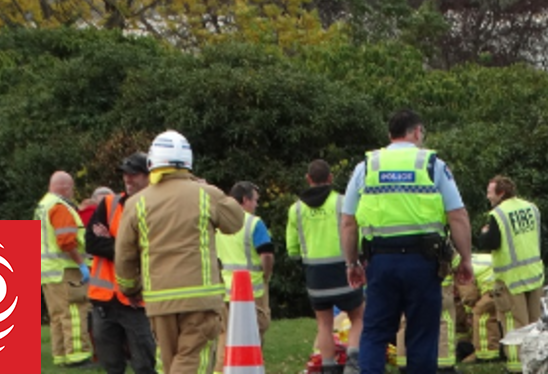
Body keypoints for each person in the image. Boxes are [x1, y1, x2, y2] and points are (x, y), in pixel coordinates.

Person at [340, 109, 474, 374]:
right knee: (422, 334)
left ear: (390, 135)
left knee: (375, 332)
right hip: (423, 263)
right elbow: (457, 215)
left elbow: (347, 221)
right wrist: (466, 259)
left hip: (380, 261)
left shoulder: (367, 166)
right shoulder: (433, 164)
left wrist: (351, 262)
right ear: (416, 132)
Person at [115, 130, 245, 374]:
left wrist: (129, 288)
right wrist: (210, 188)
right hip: (200, 297)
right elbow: (235, 221)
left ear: (153, 163)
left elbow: (124, 254)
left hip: (159, 299)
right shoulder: (205, 195)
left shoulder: (137, 204)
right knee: (193, 359)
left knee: (169, 360)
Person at [287, 160, 364, 374]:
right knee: (358, 316)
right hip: (343, 269)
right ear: (330, 178)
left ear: (308, 179)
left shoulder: (296, 210)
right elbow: (354, 234)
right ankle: (353, 361)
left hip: (315, 274)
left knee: (324, 324)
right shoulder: (341, 203)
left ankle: (328, 366)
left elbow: (292, 249)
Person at [85, 153, 158, 374]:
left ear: (148, 176)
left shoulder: (155, 207)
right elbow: (92, 243)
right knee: (111, 364)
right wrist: (127, 249)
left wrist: (113, 242)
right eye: (125, 174)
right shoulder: (109, 203)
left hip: (137, 301)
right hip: (104, 300)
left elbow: (151, 250)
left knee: (144, 363)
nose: (128, 178)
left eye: (134, 174)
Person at [477, 175, 544, 373]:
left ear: (501, 193)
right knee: (535, 324)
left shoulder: (498, 214)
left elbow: (489, 242)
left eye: (490, 192)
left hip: (511, 279)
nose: (488, 196)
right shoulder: (531, 208)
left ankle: (516, 368)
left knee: (514, 325)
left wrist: (483, 232)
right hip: (534, 274)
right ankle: (537, 365)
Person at [215, 181, 274, 374]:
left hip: (225, 289)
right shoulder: (254, 223)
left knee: (226, 335)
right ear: (245, 200)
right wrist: (266, 276)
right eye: (255, 200)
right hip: (252, 289)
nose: (256, 205)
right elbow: (266, 254)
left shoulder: (219, 224)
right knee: (254, 333)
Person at [37, 170, 94, 367]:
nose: (73, 192)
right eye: (72, 188)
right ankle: (78, 357)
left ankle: (61, 356)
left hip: (48, 272)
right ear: (66, 187)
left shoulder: (44, 205)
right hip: (65, 269)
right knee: (75, 312)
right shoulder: (60, 208)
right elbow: (67, 241)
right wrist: (81, 264)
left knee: (57, 317)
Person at [457, 253, 501, 363]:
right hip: (505, 281)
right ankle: (468, 345)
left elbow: (469, 297)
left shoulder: (458, 272)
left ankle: (486, 353)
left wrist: (469, 313)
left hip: (493, 286)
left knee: (481, 313)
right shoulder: (463, 262)